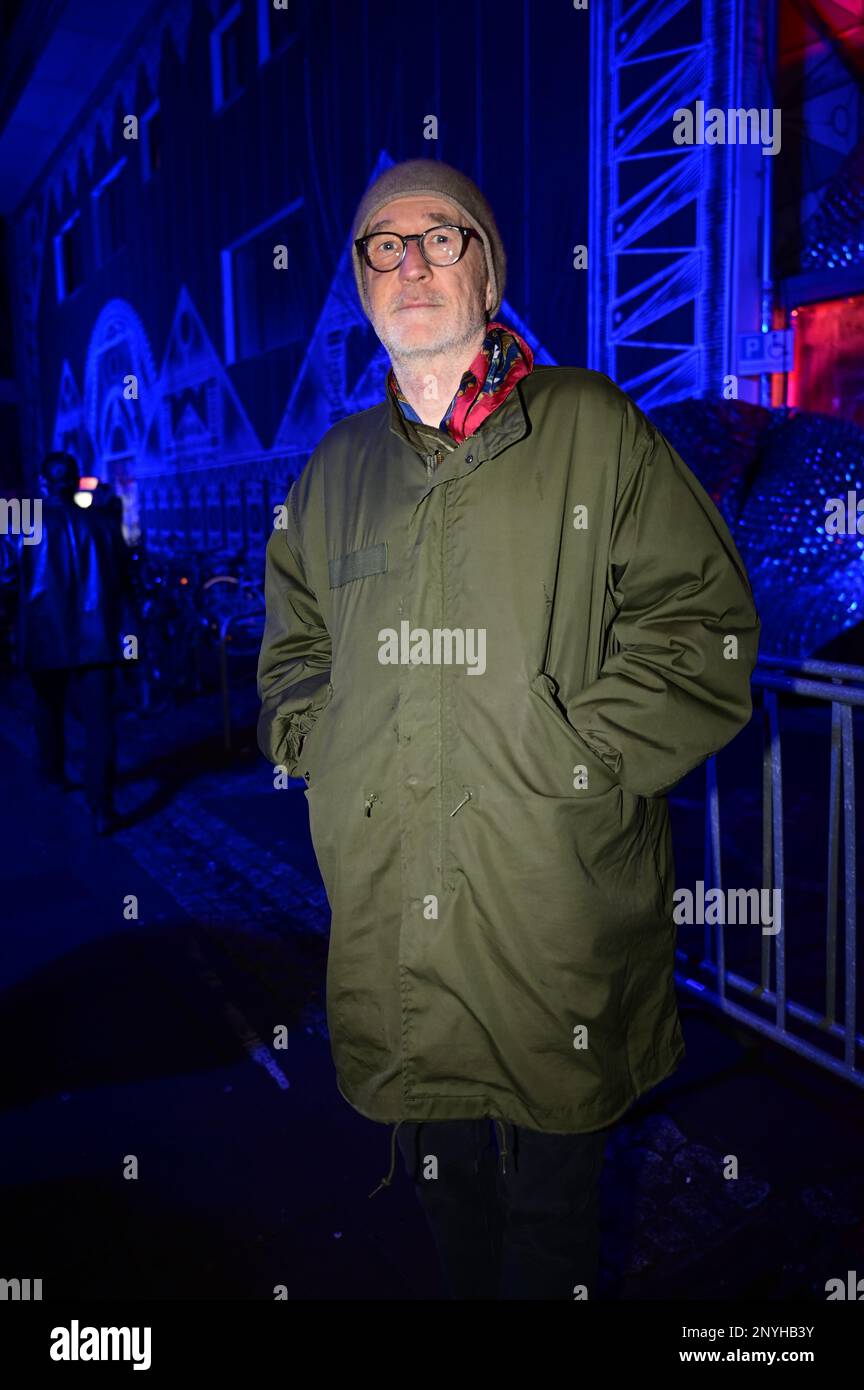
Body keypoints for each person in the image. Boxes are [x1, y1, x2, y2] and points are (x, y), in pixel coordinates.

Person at [256, 159, 761, 1299]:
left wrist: (571, 750)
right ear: (360, 281)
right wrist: (321, 742)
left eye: (443, 237)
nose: (413, 262)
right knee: (445, 1193)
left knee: (549, 1211)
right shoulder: (333, 474)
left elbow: (707, 633)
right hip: (396, 923)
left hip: (553, 912)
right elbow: (290, 657)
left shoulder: (592, 430)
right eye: (384, 244)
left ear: (488, 271)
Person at [10, 452, 130, 834]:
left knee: (47, 708)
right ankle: (102, 808)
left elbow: (5, 576)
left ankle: (54, 775)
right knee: (99, 723)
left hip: (45, 636)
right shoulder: (104, 522)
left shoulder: (21, 518)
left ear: (43, 481)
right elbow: (124, 583)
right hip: (97, 637)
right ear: (77, 480)